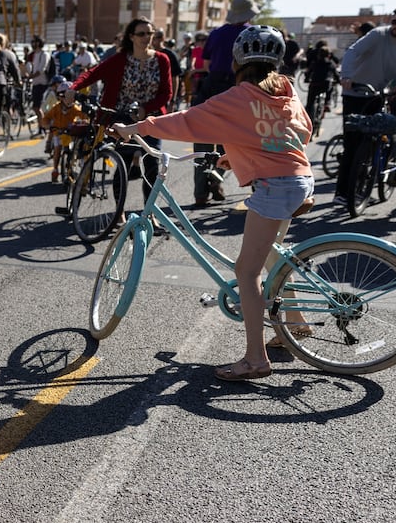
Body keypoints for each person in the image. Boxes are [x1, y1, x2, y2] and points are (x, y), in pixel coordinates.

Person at [111, 26, 313, 382]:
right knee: (273, 254)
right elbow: (300, 131)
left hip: (275, 186)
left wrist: (136, 128)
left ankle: (255, 360)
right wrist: (239, 155)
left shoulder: (238, 96)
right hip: (299, 178)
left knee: (246, 272)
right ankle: (295, 323)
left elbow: (187, 121)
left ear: (236, 61)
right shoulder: (286, 90)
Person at [63, 17, 172, 201]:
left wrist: (145, 109)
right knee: (124, 165)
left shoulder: (162, 60)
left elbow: (166, 93)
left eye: (150, 33)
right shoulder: (120, 59)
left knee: (152, 166)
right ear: (131, 36)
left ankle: (150, 211)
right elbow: (93, 73)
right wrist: (73, 88)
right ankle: (119, 212)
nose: (147, 37)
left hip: (151, 119)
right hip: (123, 119)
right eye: (141, 34)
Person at [334, 5, 396, 205]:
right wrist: (346, 76)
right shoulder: (377, 35)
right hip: (354, 92)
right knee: (352, 144)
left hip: (378, 95)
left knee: (372, 145)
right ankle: (342, 193)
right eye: (394, 21)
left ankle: (362, 188)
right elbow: (353, 52)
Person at [190, 0, 259, 206]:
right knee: (230, 140)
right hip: (239, 88)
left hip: (212, 86)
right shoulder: (252, 33)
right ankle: (217, 177)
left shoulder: (217, 33)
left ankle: (200, 192)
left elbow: (207, 64)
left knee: (203, 139)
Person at [40, 77, 79, 181]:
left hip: (71, 133)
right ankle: (55, 169)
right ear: (60, 97)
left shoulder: (75, 108)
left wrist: (84, 122)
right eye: (64, 96)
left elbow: (83, 115)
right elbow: (46, 118)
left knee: (75, 151)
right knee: (57, 150)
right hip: (58, 132)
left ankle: (72, 167)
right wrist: (47, 125)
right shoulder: (56, 108)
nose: (67, 100)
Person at [27, 36, 50, 116]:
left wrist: (31, 76)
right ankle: (41, 123)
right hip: (35, 83)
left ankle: (43, 123)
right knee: (35, 107)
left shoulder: (44, 54)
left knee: (40, 107)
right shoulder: (34, 55)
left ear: (38, 43)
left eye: (34, 42)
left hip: (43, 84)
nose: (32, 44)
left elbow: (41, 70)